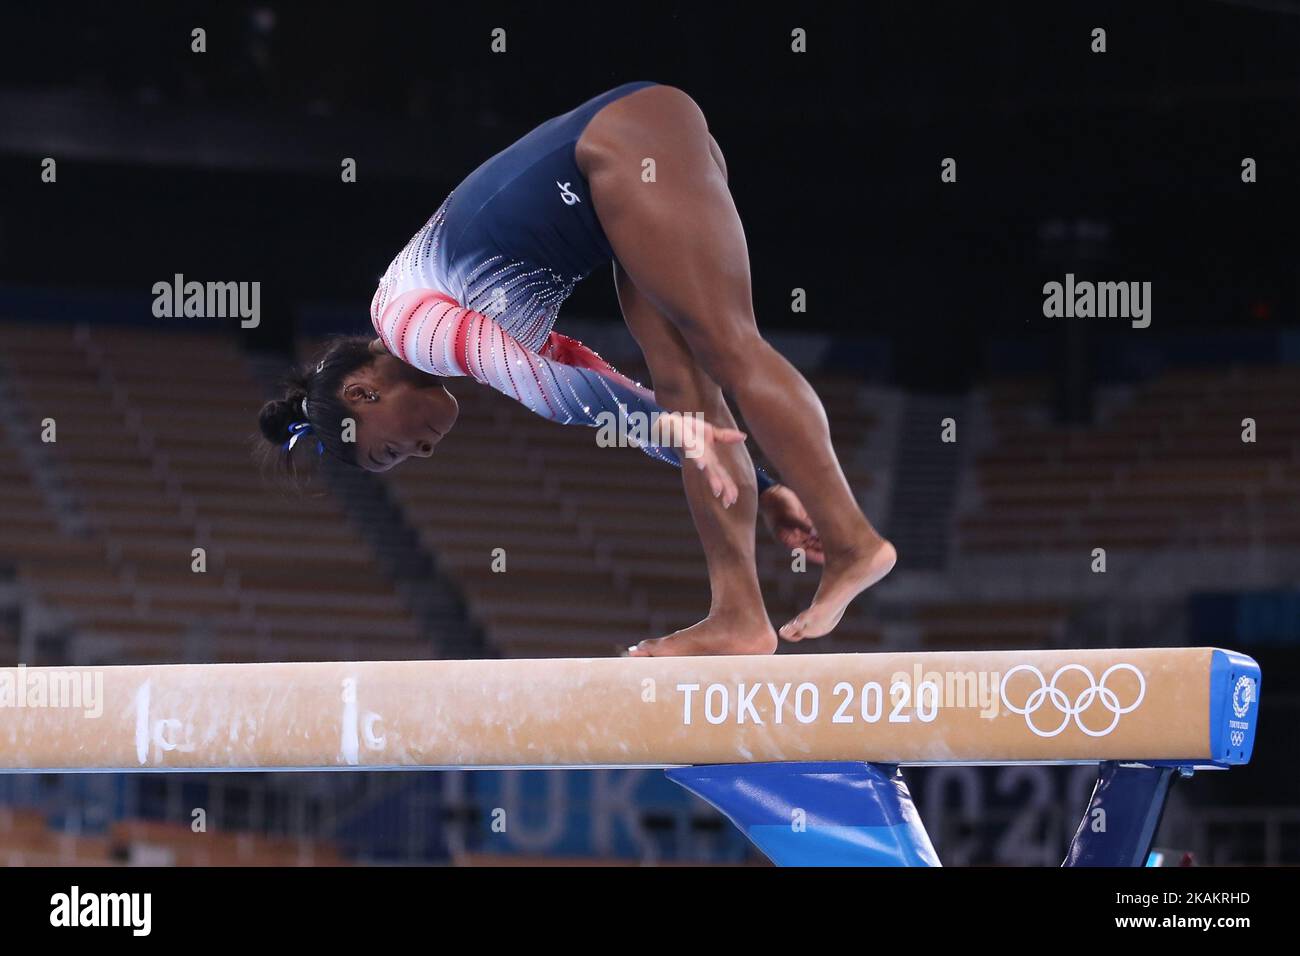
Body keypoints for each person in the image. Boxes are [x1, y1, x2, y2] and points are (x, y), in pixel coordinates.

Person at [258, 82, 895, 656]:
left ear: (362, 391)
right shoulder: (426, 314)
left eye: (391, 449)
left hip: (622, 145)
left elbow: (552, 393)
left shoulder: (412, 329)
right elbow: (591, 380)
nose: (421, 452)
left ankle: (852, 541)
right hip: (624, 179)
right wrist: (760, 482)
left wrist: (675, 433)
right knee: (687, 395)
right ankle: (738, 615)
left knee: (729, 348)